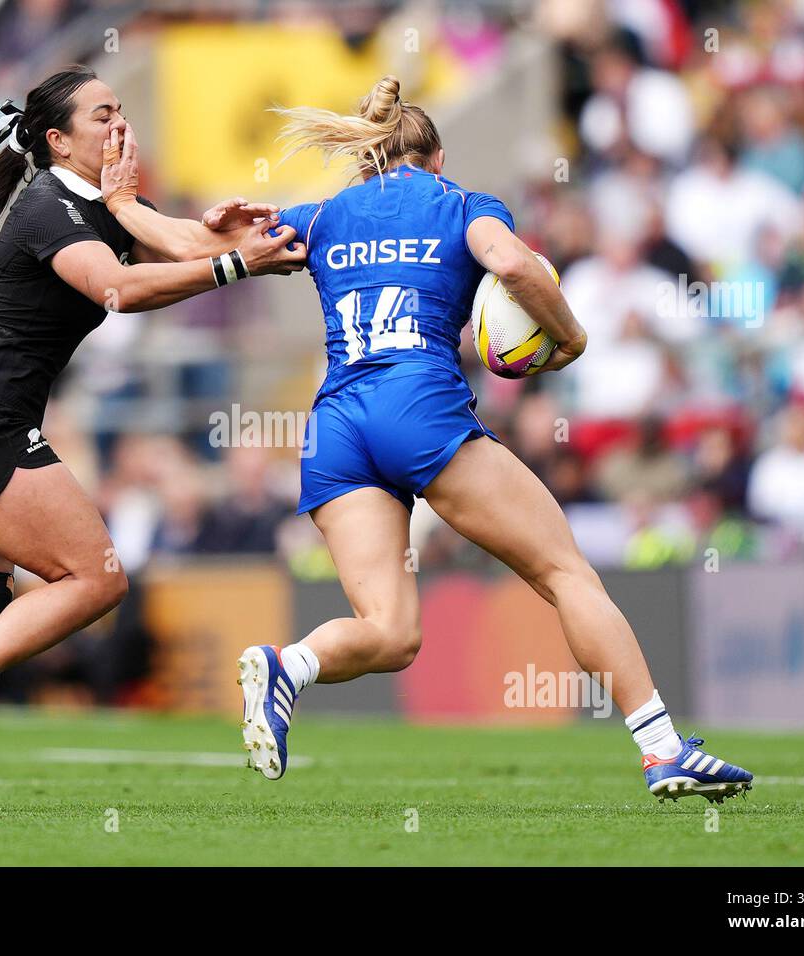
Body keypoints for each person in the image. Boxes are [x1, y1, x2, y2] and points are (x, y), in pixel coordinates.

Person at [101, 76, 754, 803]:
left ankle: (289, 666)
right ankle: (663, 750)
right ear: (438, 159)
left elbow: (193, 242)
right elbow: (512, 264)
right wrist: (569, 335)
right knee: (566, 574)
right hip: (419, 410)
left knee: (390, 632)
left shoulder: (322, 216)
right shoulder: (464, 205)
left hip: (337, 429)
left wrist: (125, 204)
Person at [0, 65, 305, 811]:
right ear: (60, 141)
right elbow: (120, 290)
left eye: (123, 111)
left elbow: (175, 238)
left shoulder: (104, 204)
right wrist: (233, 262)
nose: (120, 125)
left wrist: (242, 235)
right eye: (103, 116)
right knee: (98, 579)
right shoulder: (47, 206)